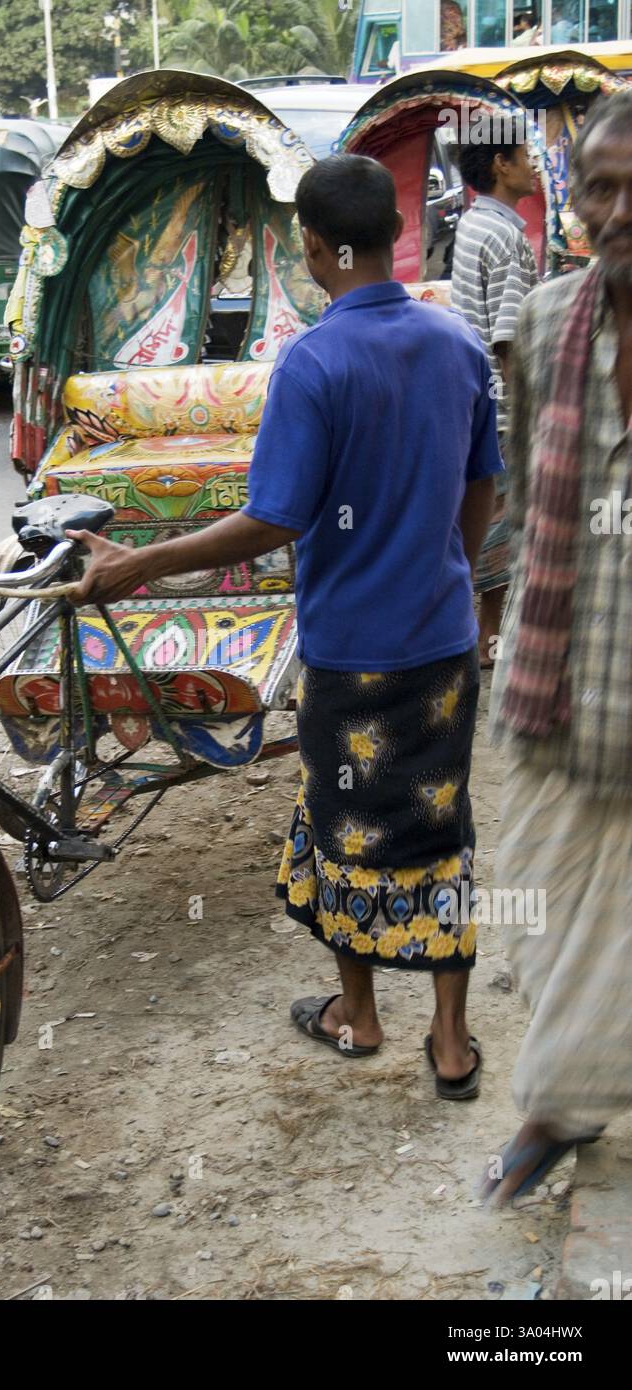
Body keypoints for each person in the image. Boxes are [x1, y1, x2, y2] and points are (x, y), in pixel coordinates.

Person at [67, 154, 503, 1098]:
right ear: (396, 234)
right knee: (440, 828)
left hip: (352, 652)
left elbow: (274, 520)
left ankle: (358, 1016)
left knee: (348, 827)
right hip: (442, 645)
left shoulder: (315, 362)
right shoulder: (457, 346)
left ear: (311, 246)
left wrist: (139, 562)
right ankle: (454, 1042)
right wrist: (456, 572)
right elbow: (483, 484)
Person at [485, 90, 632, 1202]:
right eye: (599, 188)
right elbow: (538, 495)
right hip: (557, 695)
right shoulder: (542, 321)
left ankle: (558, 1104)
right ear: (573, 202)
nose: (616, 209)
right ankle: (568, 1094)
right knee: (534, 917)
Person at [451, 118, 538, 668]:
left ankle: (482, 635)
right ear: (501, 164)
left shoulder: (473, 224)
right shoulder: (507, 236)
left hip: (477, 400)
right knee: (505, 526)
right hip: (504, 405)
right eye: (526, 153)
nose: (535, 163)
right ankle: (488, 639)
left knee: (489, 519)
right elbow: (510, 338)